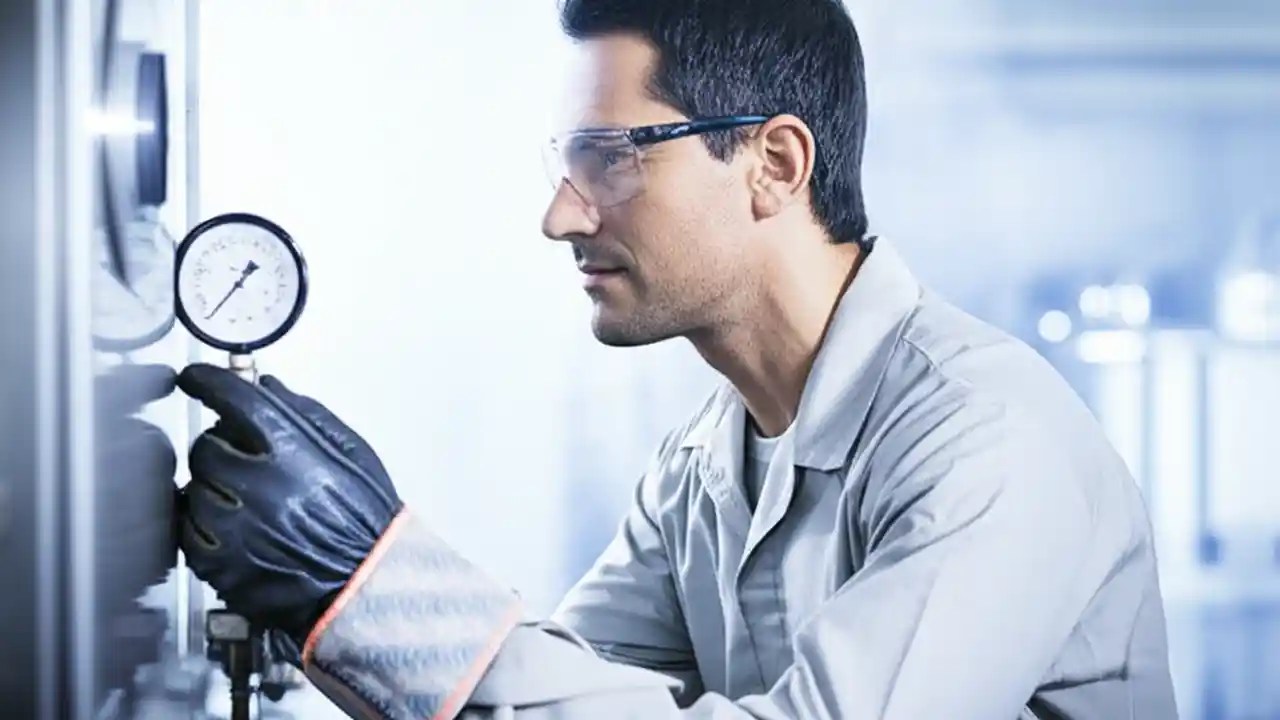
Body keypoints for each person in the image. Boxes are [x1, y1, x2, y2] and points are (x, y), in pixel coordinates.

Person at [175, 0, 1181, 717]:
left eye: (609, 158)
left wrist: (380, 579)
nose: (559, 216)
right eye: (563, 165)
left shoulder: (986, 441)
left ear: (772, 165)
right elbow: (545, 693)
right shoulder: (704, 464)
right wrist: (331, 598)